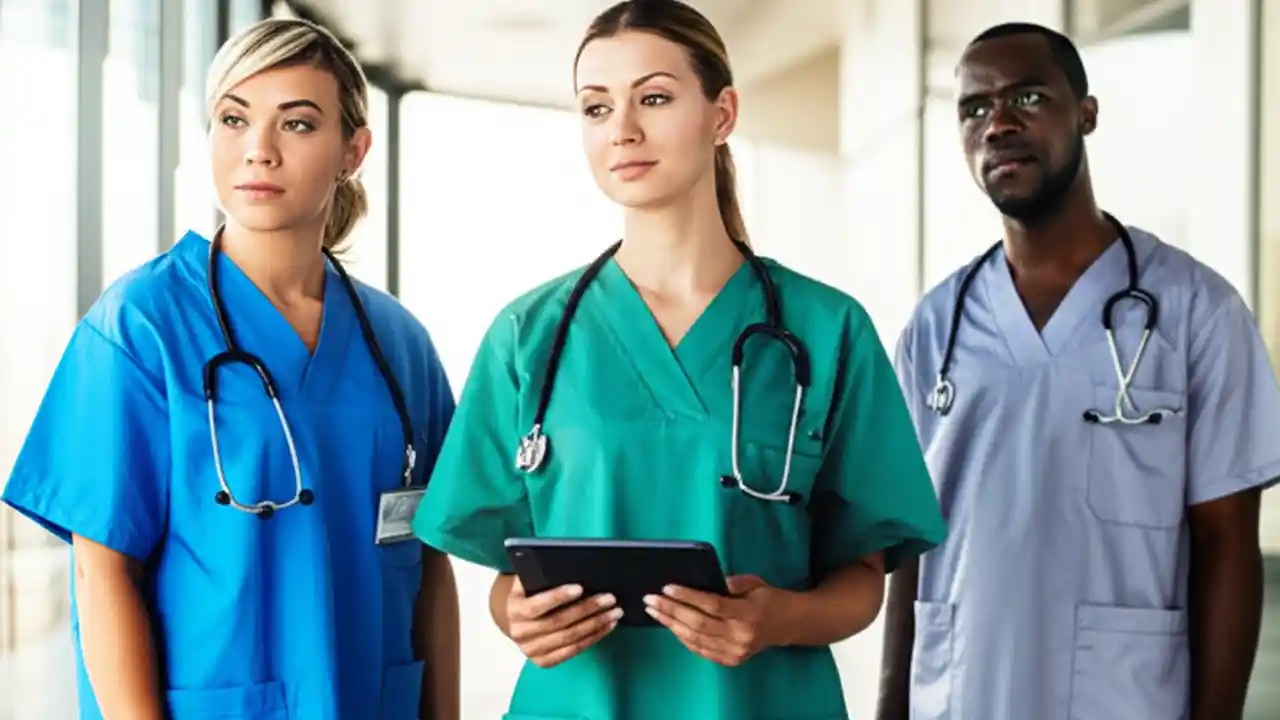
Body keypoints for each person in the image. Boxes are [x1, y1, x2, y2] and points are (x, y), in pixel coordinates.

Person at [410, 1, 946, 718]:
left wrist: (778, 620)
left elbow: (862, 581)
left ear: (722, 114)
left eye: (654, 98)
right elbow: (506, 581)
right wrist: (519, 617)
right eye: (596, 109)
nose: (622, 130)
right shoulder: (529, 334)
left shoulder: (827, 329)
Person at [1, 18, 459, 720]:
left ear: (353, 151)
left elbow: (429, 565)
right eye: (234, 119)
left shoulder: (398, 344)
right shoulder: (141, 324)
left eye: (298, 124)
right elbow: (101, 573)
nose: (259, 151)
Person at [877, 22, 1280, 720]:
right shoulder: (935, 327)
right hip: (962, 695)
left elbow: (1227, 544)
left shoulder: (1196, 311)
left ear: (1086, 113)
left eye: (1027, 97)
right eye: (974, 109)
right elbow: (909, 549)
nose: (998, 123)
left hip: (1125, 698)